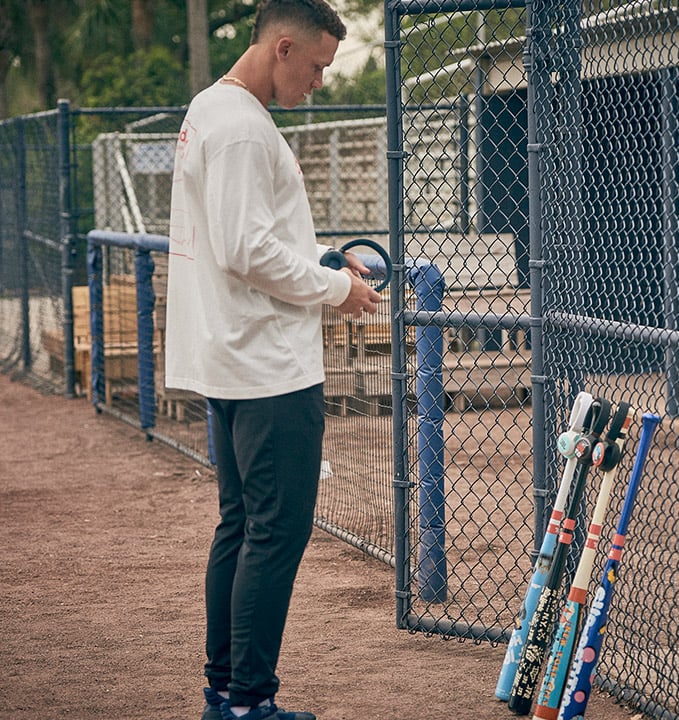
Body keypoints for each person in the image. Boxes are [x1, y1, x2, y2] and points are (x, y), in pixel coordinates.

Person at [163, 1, 380, 718]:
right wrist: (336, 291)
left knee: (241, 524)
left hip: (236, 355)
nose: (319, 82)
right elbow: (245, 249)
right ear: (282, 47)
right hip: (267, 365)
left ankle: (226, 692)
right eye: (316, 66)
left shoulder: (213, 109)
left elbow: (251, 234)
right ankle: (246, 702)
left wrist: (325, 256)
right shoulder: (242, 128)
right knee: (275, 531)